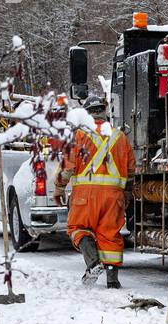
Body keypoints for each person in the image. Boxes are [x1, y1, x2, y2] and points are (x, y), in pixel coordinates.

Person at [56, 95, 134, 288]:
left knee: (78, 228)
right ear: (104, 111)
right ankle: (112, 280)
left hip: (85, 194)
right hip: (113, 196)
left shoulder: (78, 135)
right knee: (110, 234)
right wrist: (128, 192)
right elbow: (131, 169)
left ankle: (93, 263)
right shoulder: (120, 136)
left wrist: (59, 188)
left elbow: (68, 168)